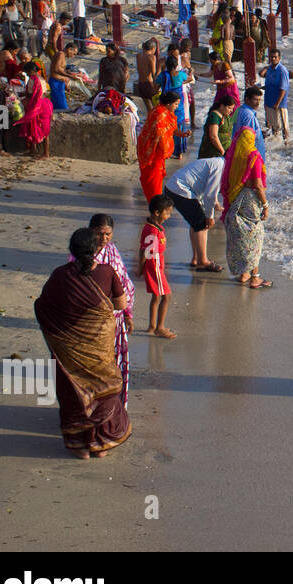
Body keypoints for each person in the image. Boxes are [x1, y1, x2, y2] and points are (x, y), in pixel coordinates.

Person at [34, 227, 131, 457]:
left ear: (72, 250)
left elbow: (42, 305)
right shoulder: (107, 272)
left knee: (73, 390)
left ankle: (80, 446)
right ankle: (101, 443)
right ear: (97, 249)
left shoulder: (60, 275)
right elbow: (121, 305)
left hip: (68, 349)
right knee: (102, 389)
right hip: (99, 347)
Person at [73, 215, 135, 406]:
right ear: (90, 231)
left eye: (108, 234)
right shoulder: (81, 256)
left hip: (113, 320)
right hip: (89, 323)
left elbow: (124, 282)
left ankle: (113, 407)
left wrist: (127, 314)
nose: (104, 238)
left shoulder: (113, 252)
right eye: (100, 234)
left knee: (113, 366)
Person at [222, 126, 270, 288]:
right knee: (255, 238)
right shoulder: (253, 156)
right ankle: (255, 277)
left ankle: (244, 274)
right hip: (251, 200)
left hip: (238, 198)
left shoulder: (235, 156)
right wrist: (265, 204)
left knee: (241, 236)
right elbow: (257, 184)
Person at [165, 156, 225, 271]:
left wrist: (214, 205)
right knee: (202, 224)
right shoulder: (220, 167)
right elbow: (210, 194)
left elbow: (209, 190)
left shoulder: (216, 162)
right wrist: (210, 216)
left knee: (195, 223)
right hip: (180, 190)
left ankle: (196, 259)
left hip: (173, 187)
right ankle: (203, 261)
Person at [136, 194, 176, 338]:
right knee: (166, 296)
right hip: (155, 266)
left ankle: (152, 326)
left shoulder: (152, 227)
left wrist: (140, 268)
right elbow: (146, 253)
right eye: (167, 213)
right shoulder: (153, 231)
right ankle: (160, 327)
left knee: (157, 296)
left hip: (156, 265)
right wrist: (140, 268)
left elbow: (142, 249)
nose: (168, 216)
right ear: (157, 213)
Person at [138, 92, 183, 202]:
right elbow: (160, 135)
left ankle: (154, 199)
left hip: (153, 150)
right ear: (168, 103)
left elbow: (171, 129)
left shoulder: (163, 111)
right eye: (176, 104)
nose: (177, 107)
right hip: (153, 151)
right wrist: (166, 152)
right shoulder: (160, 114)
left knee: (154, 177)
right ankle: (155, 201)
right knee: (153, 177)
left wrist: (182, 134)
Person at [156, 52, 192, 157]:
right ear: (176, 66)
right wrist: (191, 72)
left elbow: (156, 83)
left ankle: (166, 150)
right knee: (179, 126)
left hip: (166, 105)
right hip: (178, 106)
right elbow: (188, 78)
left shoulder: (162, 76)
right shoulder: (181, 75)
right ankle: (179, 152)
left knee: (166, 127)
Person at [15, 61, 53, 158]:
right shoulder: (41, 79)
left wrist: (23, 95)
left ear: (31, 70)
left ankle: (42, 152)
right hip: (45, 104)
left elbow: (34, 94)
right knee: (39, 127)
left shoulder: (34, 79)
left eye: (27, 72)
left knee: (38, 127)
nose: (27, 74)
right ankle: (38, 151)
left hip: (38, 106)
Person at [263, 49, 291, 144]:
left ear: (279, 58)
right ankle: (275, 145)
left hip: (279, 103)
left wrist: (277, 103)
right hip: (269, 101)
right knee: (273, 125)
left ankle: (286, 145)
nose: (273, 59)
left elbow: (283, 89)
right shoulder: (270, 69)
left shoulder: (282, 70)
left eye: (275, 57)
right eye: (271, 57)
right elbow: (270, 84)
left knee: (284, 126)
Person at [233, 85, 267, 162]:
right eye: (255, 100)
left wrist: (260, 134)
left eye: (259, 100)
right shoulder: (249, 115)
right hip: (251, 157)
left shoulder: (240, 110)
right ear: (247, 99)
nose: (258, 103)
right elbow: (247, 138)